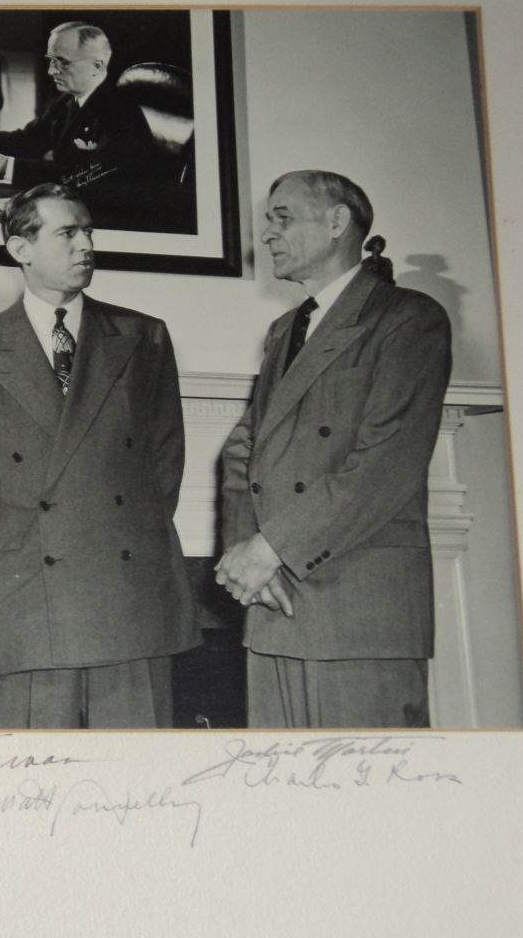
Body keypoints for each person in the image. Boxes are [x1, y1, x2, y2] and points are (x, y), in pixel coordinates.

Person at [0, 183, 200, 729]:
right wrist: (14, 552)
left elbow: (164, 459)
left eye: (89, 231)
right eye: (67, 233)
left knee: (138, 779)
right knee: (30, 778)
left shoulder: (144, 337)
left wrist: (128, 532)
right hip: (30, 599)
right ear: (20, 249)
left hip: (129, 593)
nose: (86, 245)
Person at [216, 170, 452, 729]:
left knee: (369, 799)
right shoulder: (284, 329)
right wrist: (242, 556)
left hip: (359, 608)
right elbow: (240, 451)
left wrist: (268, 550)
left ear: (337, 222)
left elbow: (383, 465)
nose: (267, 235)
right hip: (274, 603)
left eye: (282, 217)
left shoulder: (408, 318)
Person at [0, 22, 181, 230]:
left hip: (113, 218)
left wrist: (9, 167)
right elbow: (28, 139)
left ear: (97, 65)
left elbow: (93, 179)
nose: (51, 71)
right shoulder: (68, 102)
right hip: (73, 203)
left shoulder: (121, 110)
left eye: (63, 62)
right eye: (51, 60)